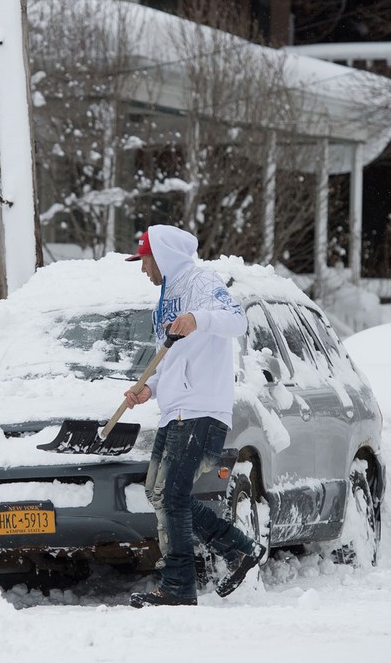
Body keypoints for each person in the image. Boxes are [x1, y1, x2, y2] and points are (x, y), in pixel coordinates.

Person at [123, 224, 265, 608]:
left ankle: (179, 585)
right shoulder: (165, 299)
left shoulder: (202, 281)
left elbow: (238, 320)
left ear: (162, 255)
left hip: (202, 408)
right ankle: (237, 549)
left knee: (172, 494)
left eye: (145, 260)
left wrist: (199, 318)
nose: (142, 269)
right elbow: (171, 360)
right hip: (175, 410)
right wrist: (148, 391)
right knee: (160, 492)